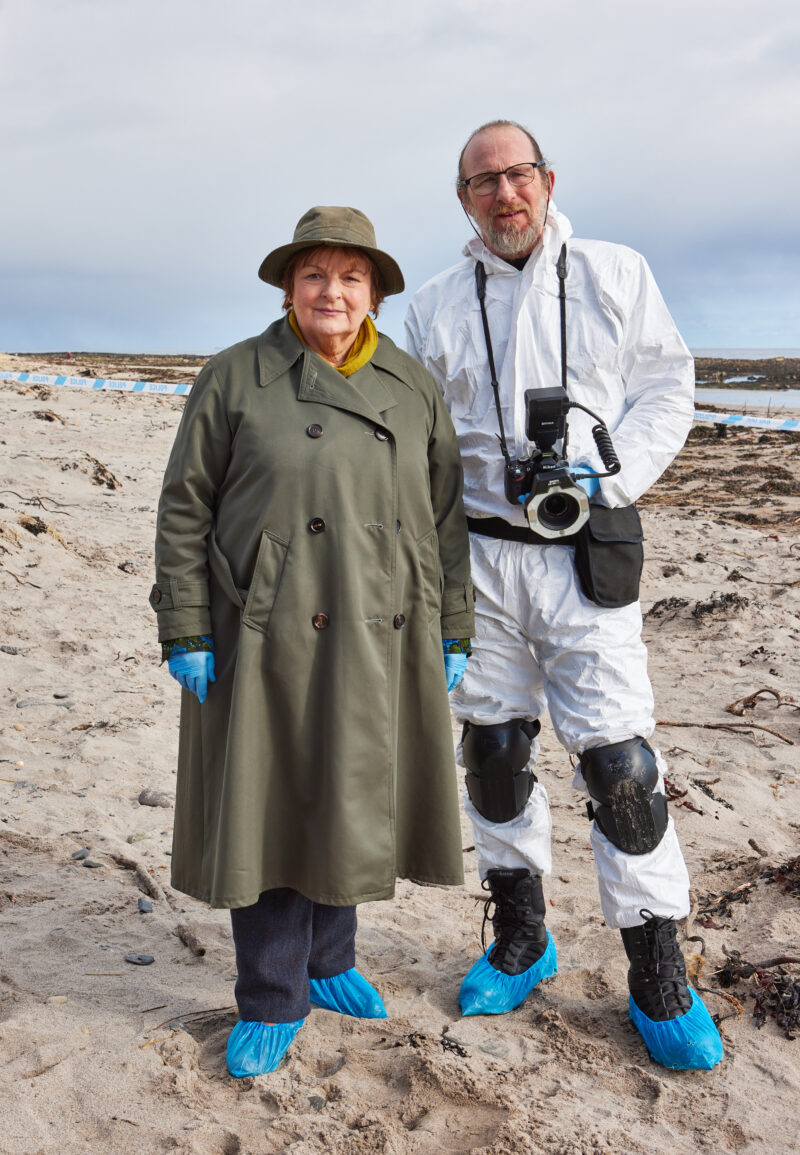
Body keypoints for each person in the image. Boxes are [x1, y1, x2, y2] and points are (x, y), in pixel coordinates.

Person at [405, 121, 723, 1071]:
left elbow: (669, 388)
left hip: (587, 548)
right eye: (483, 182)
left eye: (518, 175)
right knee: (493, 748)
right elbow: (411, 427)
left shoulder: (618, 274)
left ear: (548, 179)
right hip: (477, 559)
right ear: (462, 198)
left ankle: (656, 965)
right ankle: (522, 935)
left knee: (620, 762)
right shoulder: (431, 305)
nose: (504, 195)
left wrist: (607, 477)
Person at [151, 206, 474, 1077]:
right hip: (266, 625)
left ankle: (330, 962)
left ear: (374, 292)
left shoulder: (412, 383)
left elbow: (446, 517)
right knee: (272, 800)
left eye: (351, 276)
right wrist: (185, 621)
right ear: (291, 287)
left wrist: (453, 623)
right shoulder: (236, 375)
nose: (333, 292)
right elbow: (185, 506)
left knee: (349, 791)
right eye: (315, 276)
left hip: (384, 624)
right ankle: (269, 996)